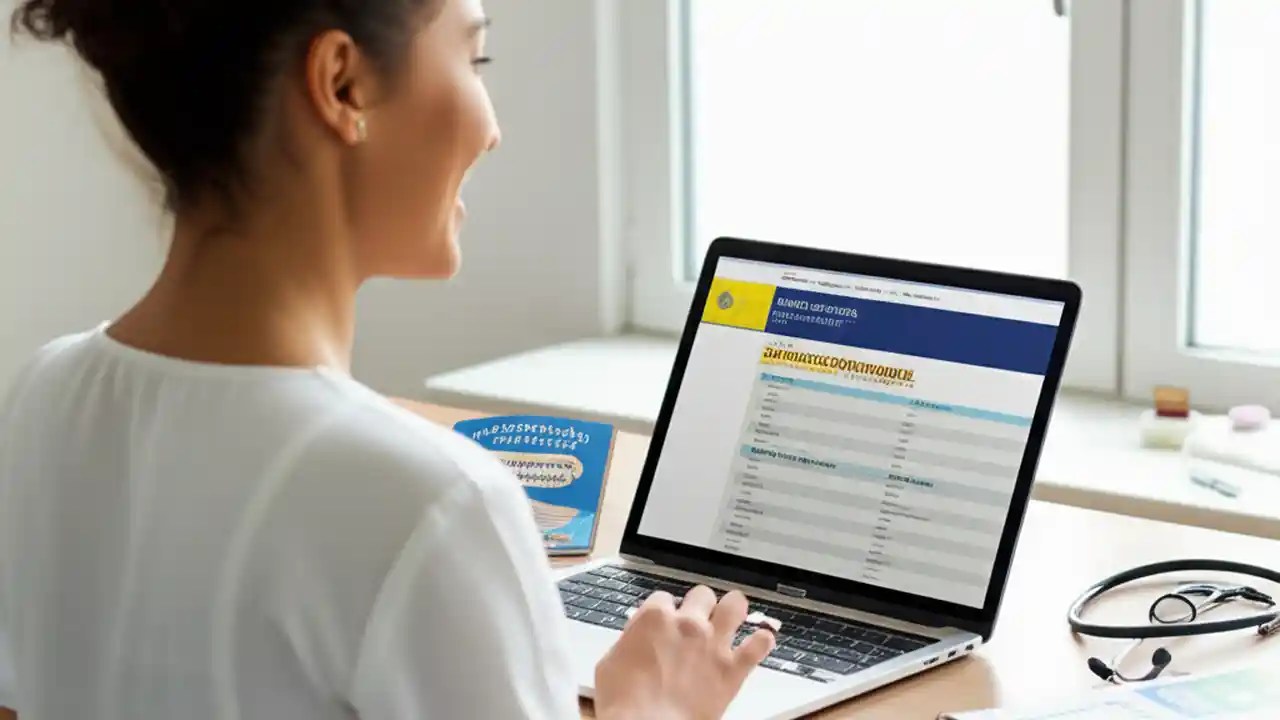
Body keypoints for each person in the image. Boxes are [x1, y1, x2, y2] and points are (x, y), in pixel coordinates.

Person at [0, 0, 776, 718]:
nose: (494, 127)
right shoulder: (430, 501)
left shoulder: (44, 395)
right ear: (342, 85)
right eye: (475, 60)